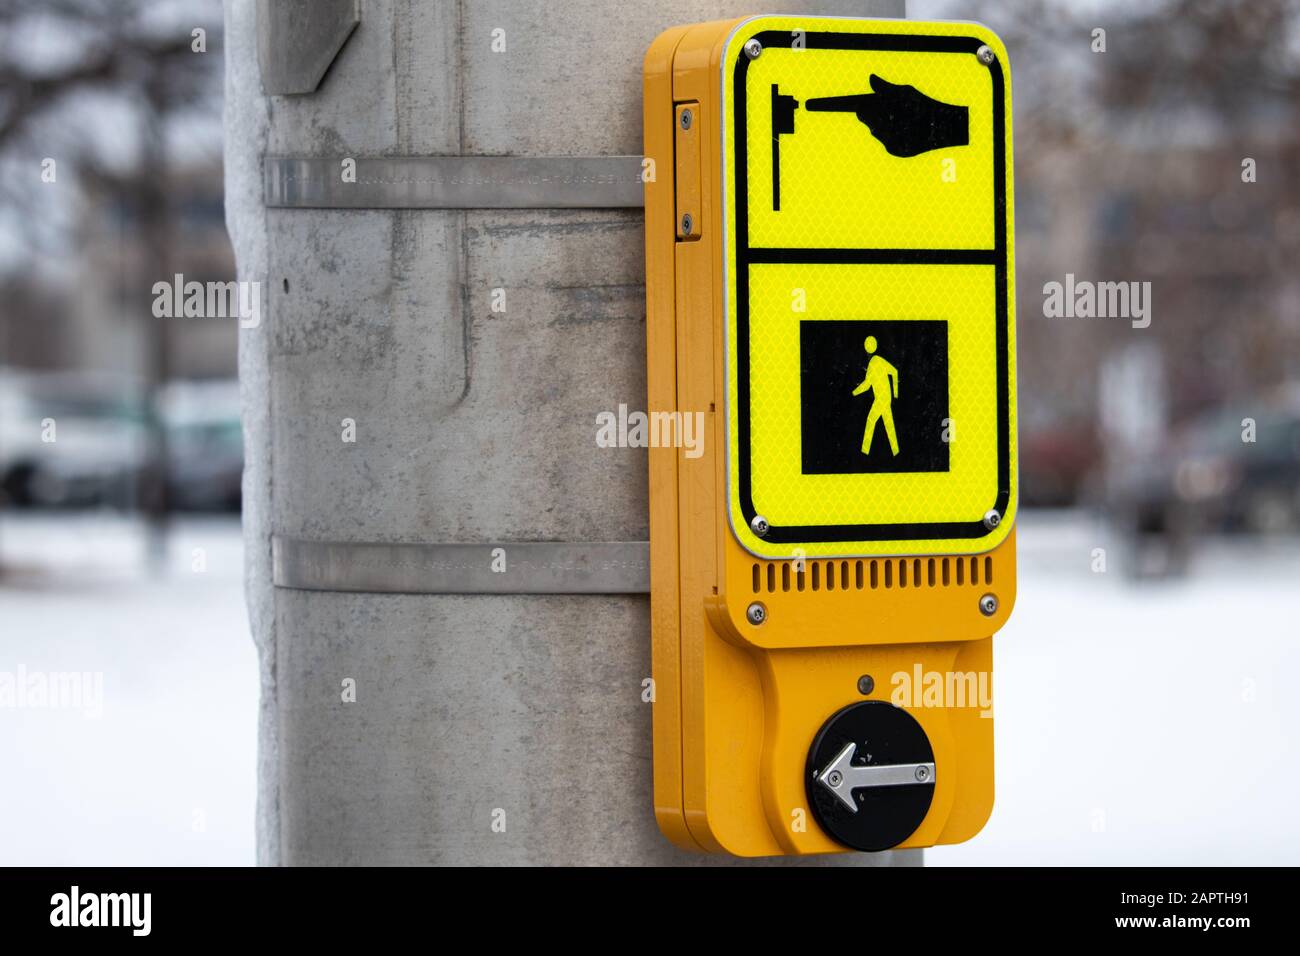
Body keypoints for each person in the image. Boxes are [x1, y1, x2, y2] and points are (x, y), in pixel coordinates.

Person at [851, 335, 899, 456]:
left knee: (871, 420)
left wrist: (853, 393)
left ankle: (864, 452)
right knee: (889, 425)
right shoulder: (878, 360)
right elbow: (894, 372)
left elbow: (867, 385)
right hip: (885, 398)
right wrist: (894, 394)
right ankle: (896, 451)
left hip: (881, 399)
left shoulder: (873, 362)